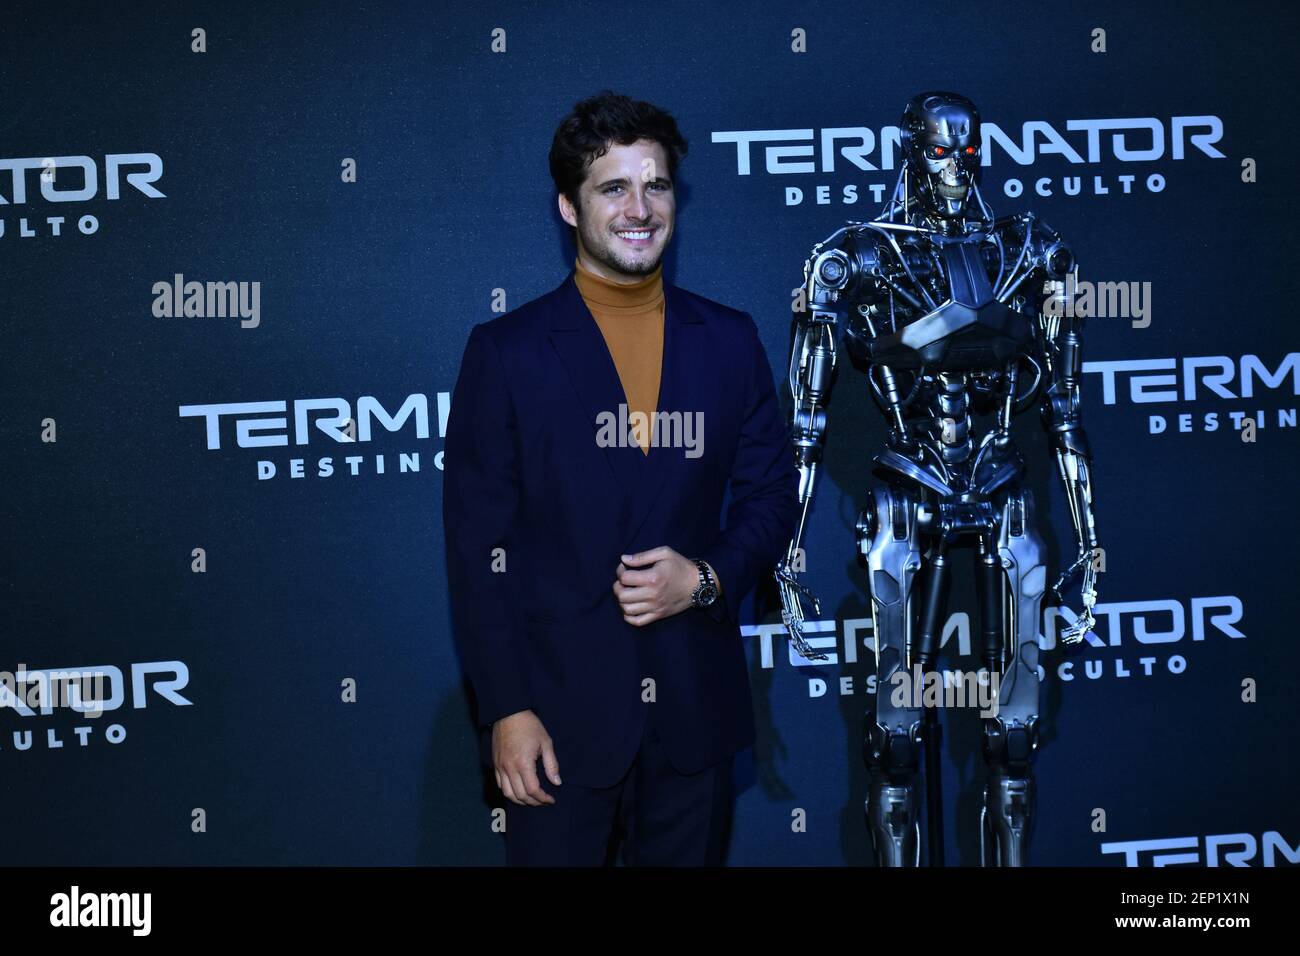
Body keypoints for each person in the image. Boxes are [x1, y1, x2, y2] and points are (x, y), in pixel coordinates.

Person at [443, 90, 800, 866]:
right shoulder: (507, 353)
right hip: (555, 727)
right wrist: (506, 709)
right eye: (614, 187)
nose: (640, 208)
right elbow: (479, 552)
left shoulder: (730, 339)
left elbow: (774, 496)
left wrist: (705, 578)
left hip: (692, 715)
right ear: (570, 207)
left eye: (657, 185)